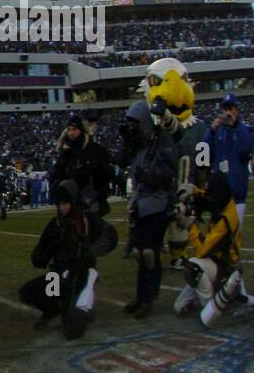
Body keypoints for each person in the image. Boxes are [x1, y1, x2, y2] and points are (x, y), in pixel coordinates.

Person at [19, 179, 116, 340]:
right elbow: (40, 255)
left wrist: (91, 252)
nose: (63, 207)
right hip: (57, 276)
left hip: (81, 277)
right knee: (27, 293)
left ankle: (84, 307)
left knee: (72, 331)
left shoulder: (86, 220)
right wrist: (42, 253)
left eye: (66, 203)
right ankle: (53, 308)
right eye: (60, 204)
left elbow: (110, 235)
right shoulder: (55, 224)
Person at [121, 99, 179, 320]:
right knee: (139, 253)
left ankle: (148, 299)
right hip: (141, 204)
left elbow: (168, 172)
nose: (131, 127)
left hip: (158, 204)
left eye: (134, 122)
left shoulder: (161, 139)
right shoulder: (139, 144)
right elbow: (122, 160)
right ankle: (141, 296)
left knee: (149, 253)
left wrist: (149, 175)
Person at [175, 172, 242, 320]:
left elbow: (201, 251)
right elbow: (208, 196)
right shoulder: (224, 201)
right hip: (215, 265)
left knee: (193, 267)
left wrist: (190, 225)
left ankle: (212, 308)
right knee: (179, 307)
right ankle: (220, 296)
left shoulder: (226, 219)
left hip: (227, 269)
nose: (212, 200)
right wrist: (193, 190)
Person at [204, 93, 251, 223]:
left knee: (233, 239)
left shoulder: (245, 129)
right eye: (225, 108)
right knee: (217, 239)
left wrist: (236, 125)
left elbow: (247, 148)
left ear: (237, 109)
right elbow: (203, 155)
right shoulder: (217, 131)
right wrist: (212, 130)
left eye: (231, 108)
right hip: (218, 196)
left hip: (236, 197)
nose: (228, 112)